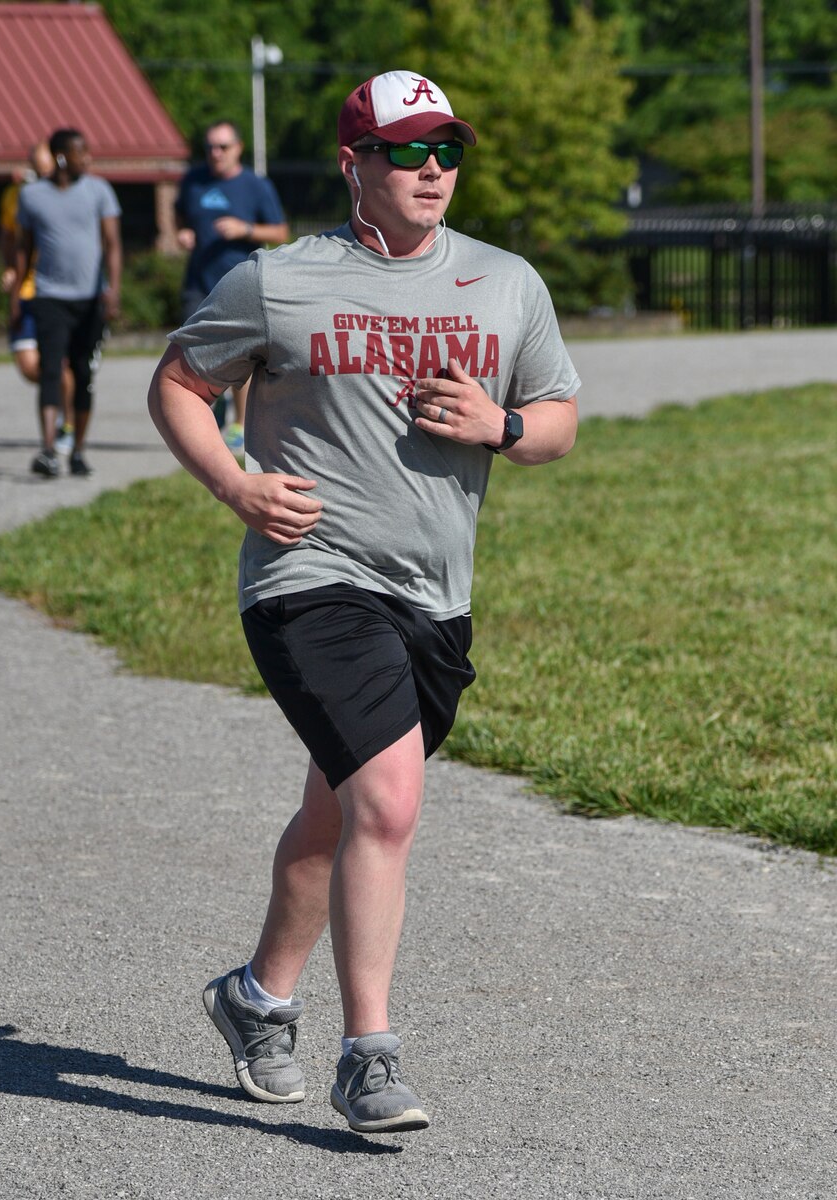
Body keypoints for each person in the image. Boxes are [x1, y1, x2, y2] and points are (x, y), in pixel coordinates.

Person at [148, 70, 580, 1134]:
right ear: (355, 165)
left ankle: (256, 999)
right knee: (387, 799)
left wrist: (503, 427)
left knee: (339, 807)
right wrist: (236, 483)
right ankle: (369, 1056)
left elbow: (560, 415)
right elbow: (178, 382)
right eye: (409, 151)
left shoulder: (506, 282)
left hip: (435, 597)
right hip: (307, 580)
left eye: (448, 151)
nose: (435, 170)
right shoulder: (277, 282)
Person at [12, 128, 122, 478]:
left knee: (82, 373)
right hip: (48, 296)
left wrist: (113, 290)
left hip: (90, 299)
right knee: (49, 371)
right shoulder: (32, 196)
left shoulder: (98, 190)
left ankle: (77, 451)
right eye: (80, 152)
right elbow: (23, 249)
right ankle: (47, 450)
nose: (87, 158)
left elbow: (113, 244)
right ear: (61, 156)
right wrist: (16, 294)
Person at [174, 120, 289, 455]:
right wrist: (183, 232)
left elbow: (280, 232)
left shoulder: (255, 186)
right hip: (198, 282)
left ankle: (239, 424)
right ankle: (206, 413)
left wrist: (245, 229)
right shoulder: (194, 181)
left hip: (240, 283)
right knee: (191, 351)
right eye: (210, 147)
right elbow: (179, 214)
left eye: (223, 147)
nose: (216, 153)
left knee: (242, 354)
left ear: (238, 148)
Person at [0, 141, 76, 453]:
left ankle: (65, 424)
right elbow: (9, 237)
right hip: (27, 291)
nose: (43, 174)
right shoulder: (17, 197)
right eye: (38, 168)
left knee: (59, 364)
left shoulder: (71, 196)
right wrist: (9, 271)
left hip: (58, 293)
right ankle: (56, 405)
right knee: (31, 367)